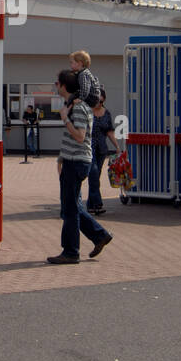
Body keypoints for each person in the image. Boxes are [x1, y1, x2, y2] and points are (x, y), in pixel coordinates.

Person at [47, 69, 113, 264]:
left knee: (69, 209)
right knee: (73, 206)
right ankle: (99, 235)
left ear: (65, 86)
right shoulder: (74, 105)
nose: (56, 86)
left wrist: (65, 118)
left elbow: (80, 136)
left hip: (76, 162)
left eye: (57, 83)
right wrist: (61, 158)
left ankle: (71, 251)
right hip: (72, 160)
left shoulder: (77, 108)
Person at [86, 88, 118, 216]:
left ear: (103, 100)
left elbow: (109, 131)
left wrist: (117, 146)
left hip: (101, 149)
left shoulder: (106, 113)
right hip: (88, 148)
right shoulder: (87, 112)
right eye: (96, 100)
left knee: (95, 177)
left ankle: (90, 206)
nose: (98, 103)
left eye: (100, 100)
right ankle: (98, 204)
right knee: (93, 173)